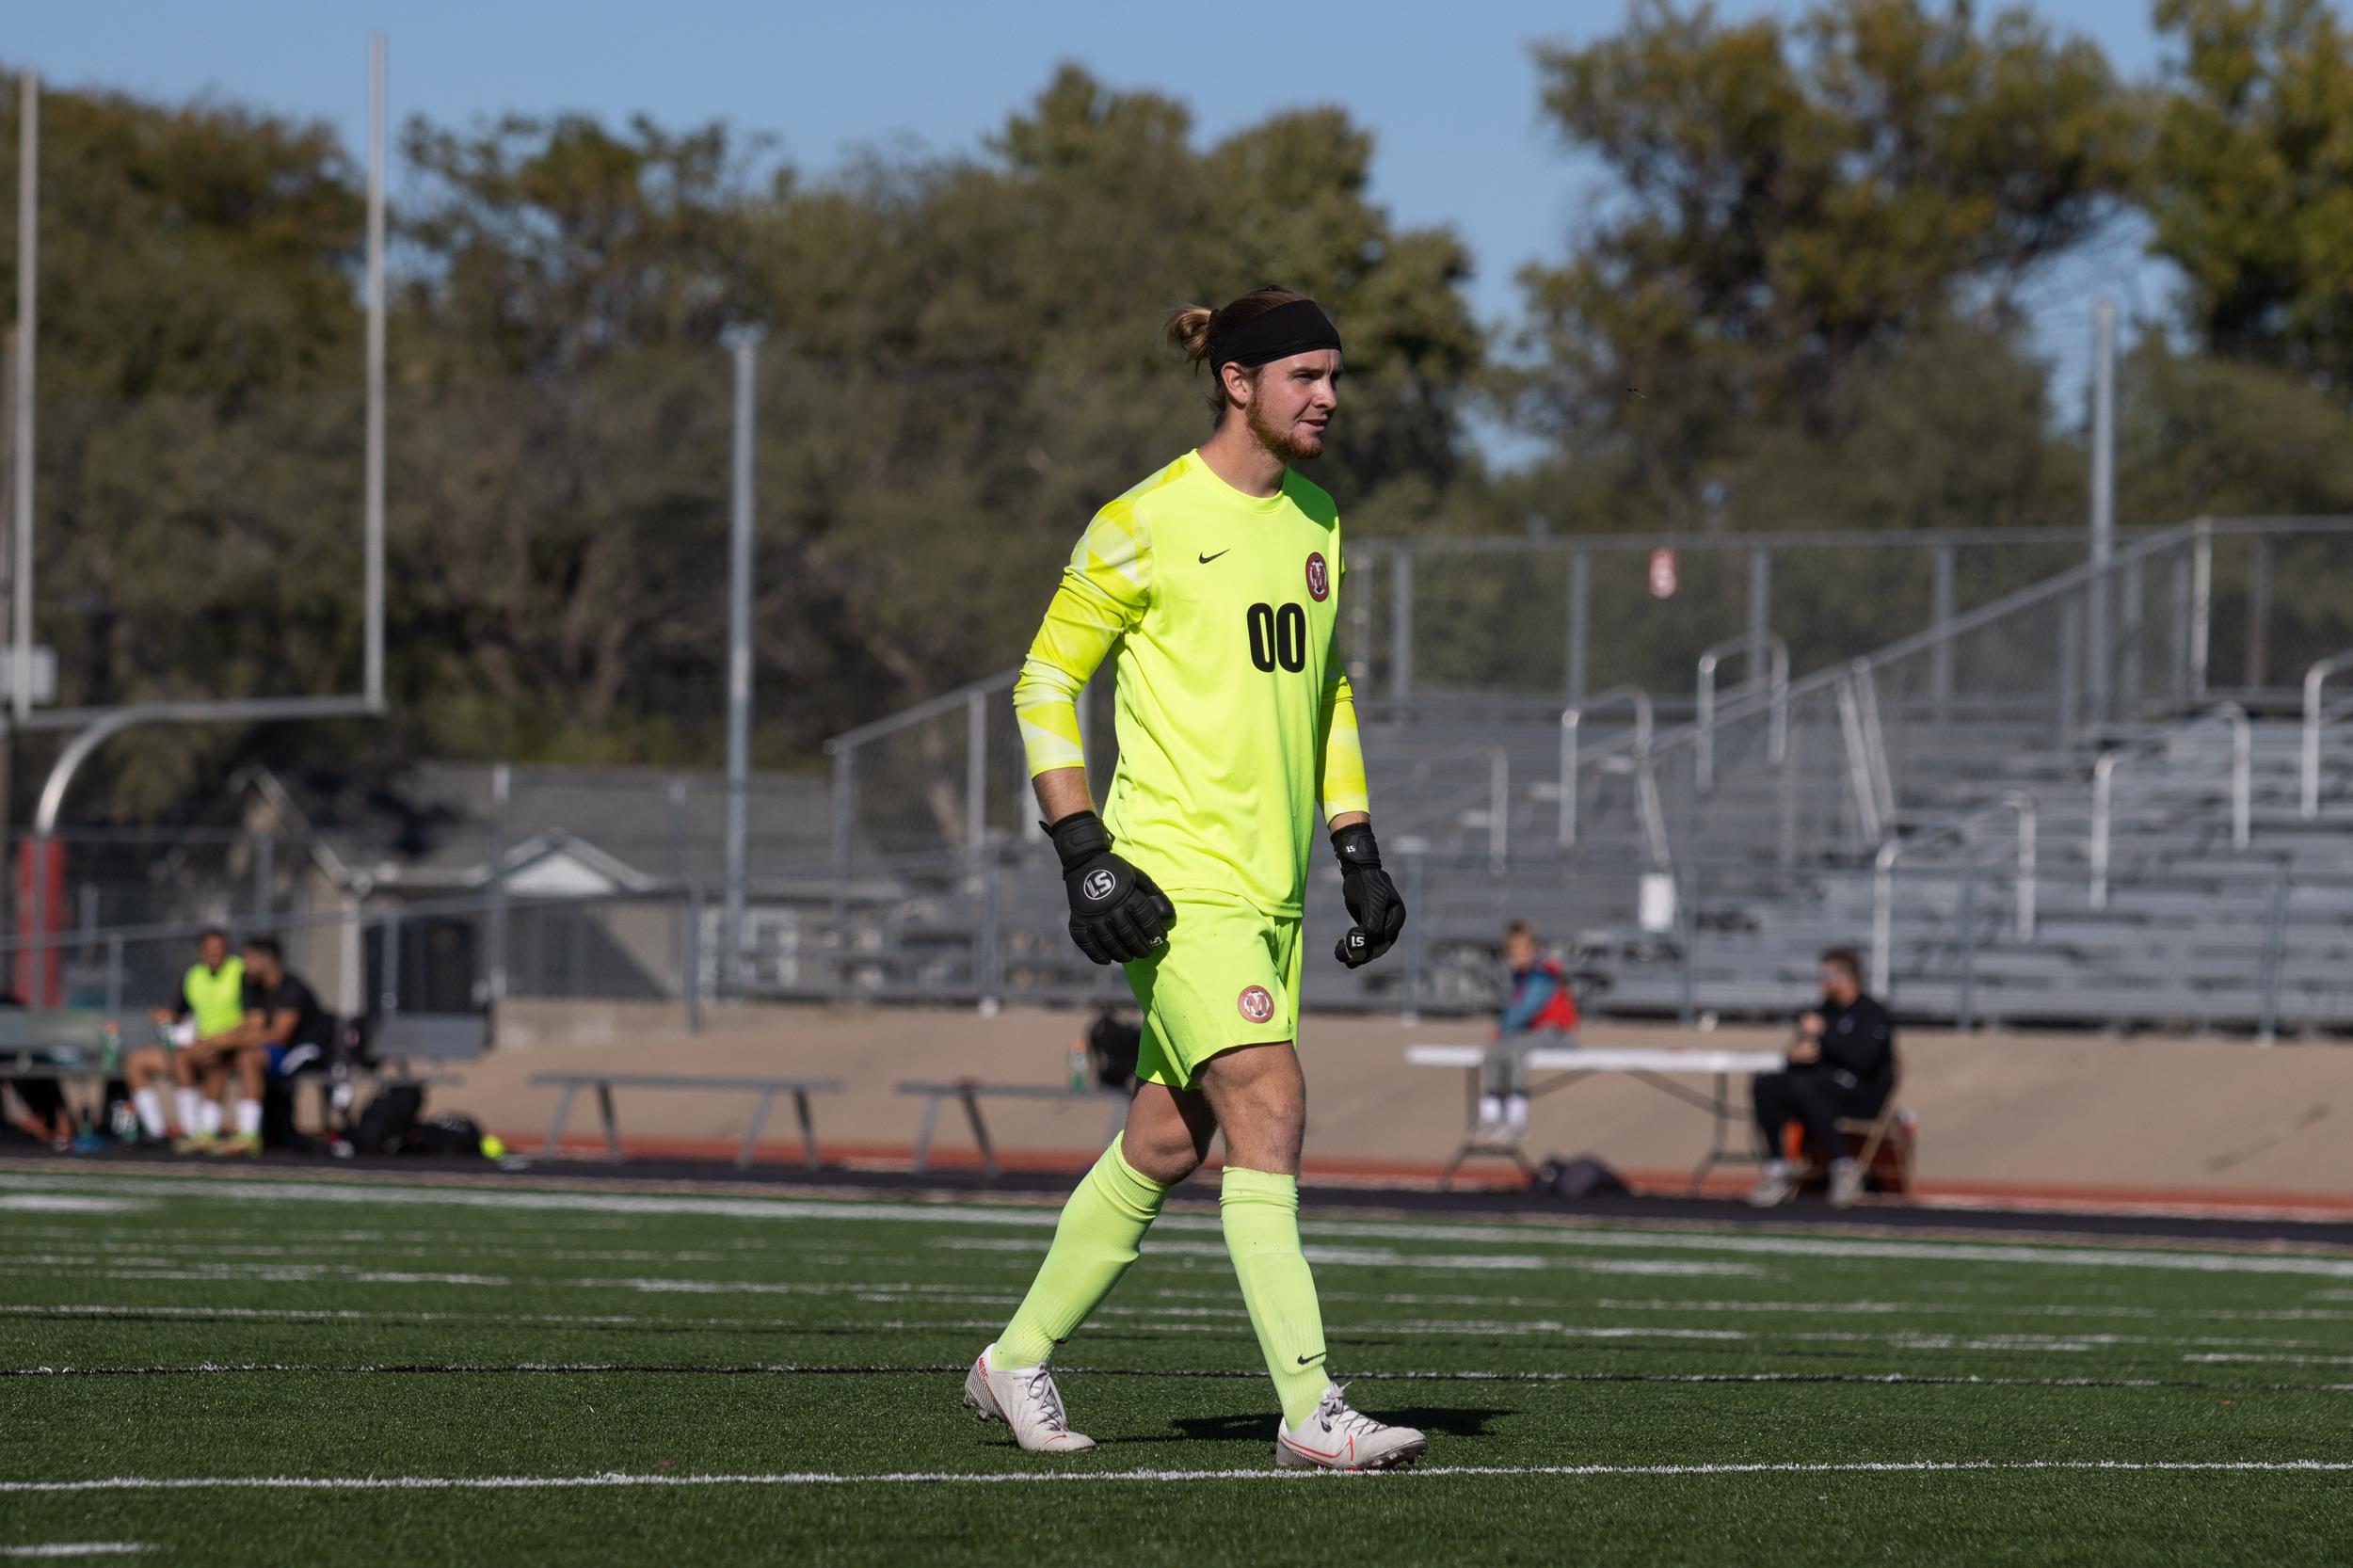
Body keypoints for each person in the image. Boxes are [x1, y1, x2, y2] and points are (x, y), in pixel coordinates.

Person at [966, 287, 1424, 1472]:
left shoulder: (1319, 517)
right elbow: (1041, 685)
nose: (1327, 398)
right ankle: (1311, 1408)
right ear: (1237, 383)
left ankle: (1012, 1359)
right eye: (1303, 378)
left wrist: (1355, 845)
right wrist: (1084, 855)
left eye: (1335, 377)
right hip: (1173, 882)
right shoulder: (1142, 519)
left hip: (1273, 892)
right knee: (1267, 1102)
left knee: (1166, 1145)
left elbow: (1326, 693)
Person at [1746, 948, 1896, 1208]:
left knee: (1808, 1086)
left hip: (1861, 1093)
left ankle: (1844, 1167)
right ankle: (1778, 1166)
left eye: (1827, 975)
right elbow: (1806, 1054)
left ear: (1846, 977)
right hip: (1816, 1090)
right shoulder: (1823, 1012)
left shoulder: (1871, 1013)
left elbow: (1864, 1059)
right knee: (1767, 1084)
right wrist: (1794, 1055)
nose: (1822, 982)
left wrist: (1824, 1034)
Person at [120, 930, 245, 1150]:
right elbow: (178, 1011)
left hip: (231, 1044)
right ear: (201, 952)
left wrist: (224, 1039)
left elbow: (253, 1015)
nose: (215, 954)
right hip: (198, 1044)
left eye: (219, 949)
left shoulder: (240, 971)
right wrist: (164, 1015)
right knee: (135, 1061)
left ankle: (197, 1131)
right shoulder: (194, 976)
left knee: (190, 1058)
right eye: (210, 949)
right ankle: (157, 1132)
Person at [1476, 921, 1580, 1143]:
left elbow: (1525, 1009)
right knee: (1494, 1051)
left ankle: (1516, 1120)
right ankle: (1490, 1115)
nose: (1517, 954)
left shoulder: (1542, 974)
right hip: (1535, 1034)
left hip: (1557, 1034)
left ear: (1533, 948)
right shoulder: (1521, 976)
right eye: (1513, 949)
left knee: (1515, 1050)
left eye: (1522, 948)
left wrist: (1503, 1029)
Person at [229, 936, 333, 1155]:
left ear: (267, 960)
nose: (244, 963)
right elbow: (253, 1027)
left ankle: (248, 1135)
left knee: (248, 1058)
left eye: (249, 957)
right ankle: (202, 1132)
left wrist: (227, 1041)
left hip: (305, 1052)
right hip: (275, 1052)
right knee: (224, 1058)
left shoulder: (291, 987)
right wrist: (219, 1043)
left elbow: (279, 1036)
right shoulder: (253, 986)